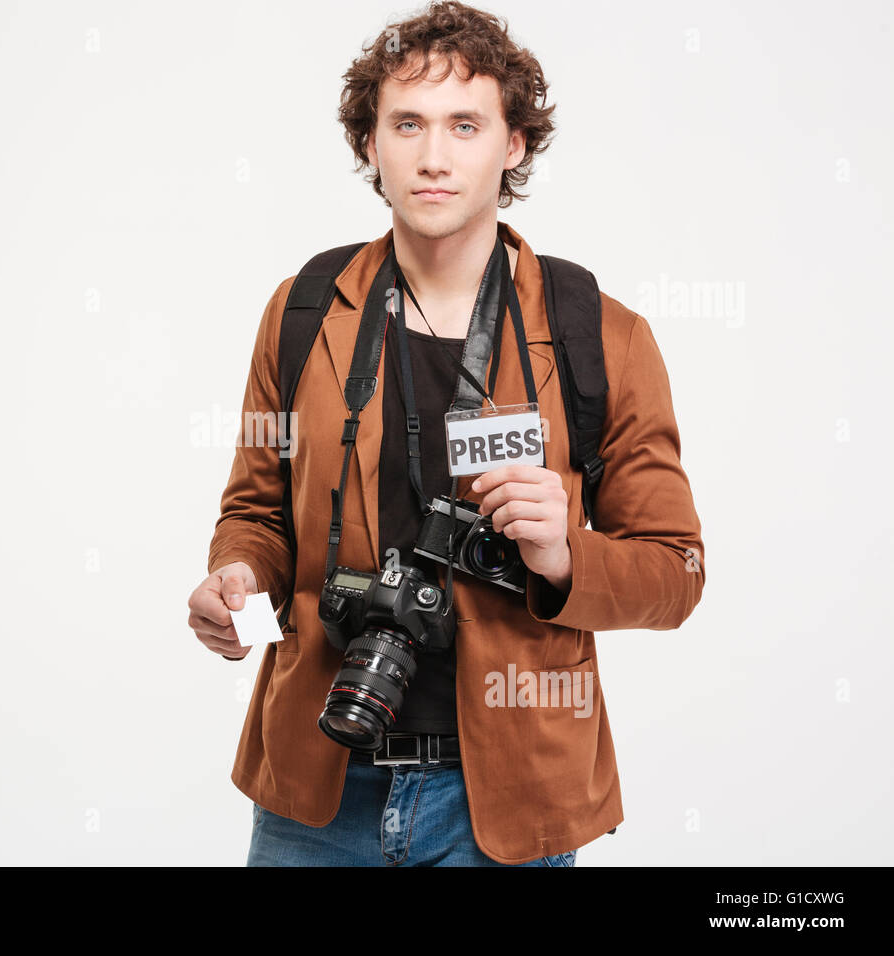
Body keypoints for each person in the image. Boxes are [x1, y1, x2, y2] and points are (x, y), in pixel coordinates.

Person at [186, 1, 705, 867]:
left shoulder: (600, 336)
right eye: (407, 124)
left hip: (504, 800)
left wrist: (565, 555)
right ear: (369, 145)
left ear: (513, 146)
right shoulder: (302, 313)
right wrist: (235, 573)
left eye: (465, 124)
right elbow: (256, 508)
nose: (433, 156)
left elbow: (677, 573)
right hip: (317, 786)